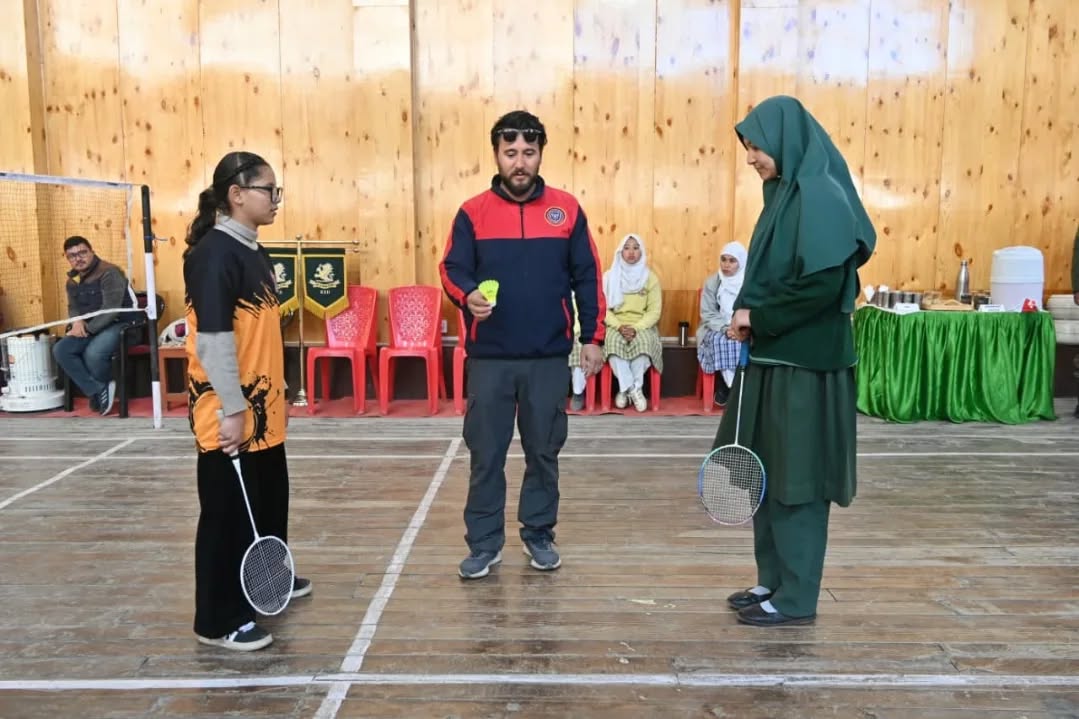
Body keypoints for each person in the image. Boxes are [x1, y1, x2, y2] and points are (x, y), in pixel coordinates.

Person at [714, 96, 875, 627]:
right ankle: (773, 580)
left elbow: (824, 288)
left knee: (799, 478)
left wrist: (757, 317)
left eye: (757, 146)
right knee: (765, 471)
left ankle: (797, 596)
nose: (752, 158)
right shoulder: (782, 196)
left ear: (784, 140)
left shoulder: (820, 196)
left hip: (804, 367)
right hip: (771, 358)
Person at [440, 110, 606, 580]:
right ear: (496, 154)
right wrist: (467, 294)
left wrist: (592, 337)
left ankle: (538, 534)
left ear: (540, 155)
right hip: (490, 359)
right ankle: (485, 543)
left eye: (528, 153)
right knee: (485, 455)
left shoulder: (567, 210)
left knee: (544, 453)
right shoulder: (472, 212)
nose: (520, 162)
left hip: (547, 358)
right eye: (510, 152)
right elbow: (452, 268)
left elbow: (588, 275)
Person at [183, 151, 311, 651]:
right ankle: (217, 619)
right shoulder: (213, 255)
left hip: (264, 411)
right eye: (268, 190)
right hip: (229, 411)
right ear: (236, 195)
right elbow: (212, 342)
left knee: (267, 501)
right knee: (226, 515)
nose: (275, 200)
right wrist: (233, 410)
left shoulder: (252, 249)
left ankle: (264, 580)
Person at [52, 236, 133, 415]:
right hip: (91, 327)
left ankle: (101, 391)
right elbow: (73, 307)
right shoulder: (72, 281)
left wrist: (87, 330)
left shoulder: (110, 272)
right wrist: (76, 321)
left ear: (92, 251)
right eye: (72, 256)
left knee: (93, 353)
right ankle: (97, 389)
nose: (78, 258)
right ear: (67, 258)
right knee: (61, 349)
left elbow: (111, 310)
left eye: (82, 252)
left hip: (121, 324)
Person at [602, 233, 662, 412]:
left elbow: (654, 312)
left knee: (643, 345)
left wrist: (636, 328)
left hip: (641, 324)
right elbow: (602, 309)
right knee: (612, 345)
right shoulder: (609, 277)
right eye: (626, 248)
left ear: (641, 252)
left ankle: (625, 390)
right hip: (615, 324)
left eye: (636, 248)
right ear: (620, 251)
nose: (631, 252)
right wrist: (619, 326)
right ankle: (632, 388)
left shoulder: (650, 278)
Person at [697, 242, 748, 406]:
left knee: (743, 342)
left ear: (741, 262)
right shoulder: (713, 282)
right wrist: (726, 329)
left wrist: (741, 327)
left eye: (732, 261)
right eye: (723, 260)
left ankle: (732, 387)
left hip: (745, 327)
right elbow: (708, 313)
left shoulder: (749, 283)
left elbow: (755, 309)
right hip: (718, 327)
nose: (726, 265)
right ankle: (732, 388)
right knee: (722, 342)